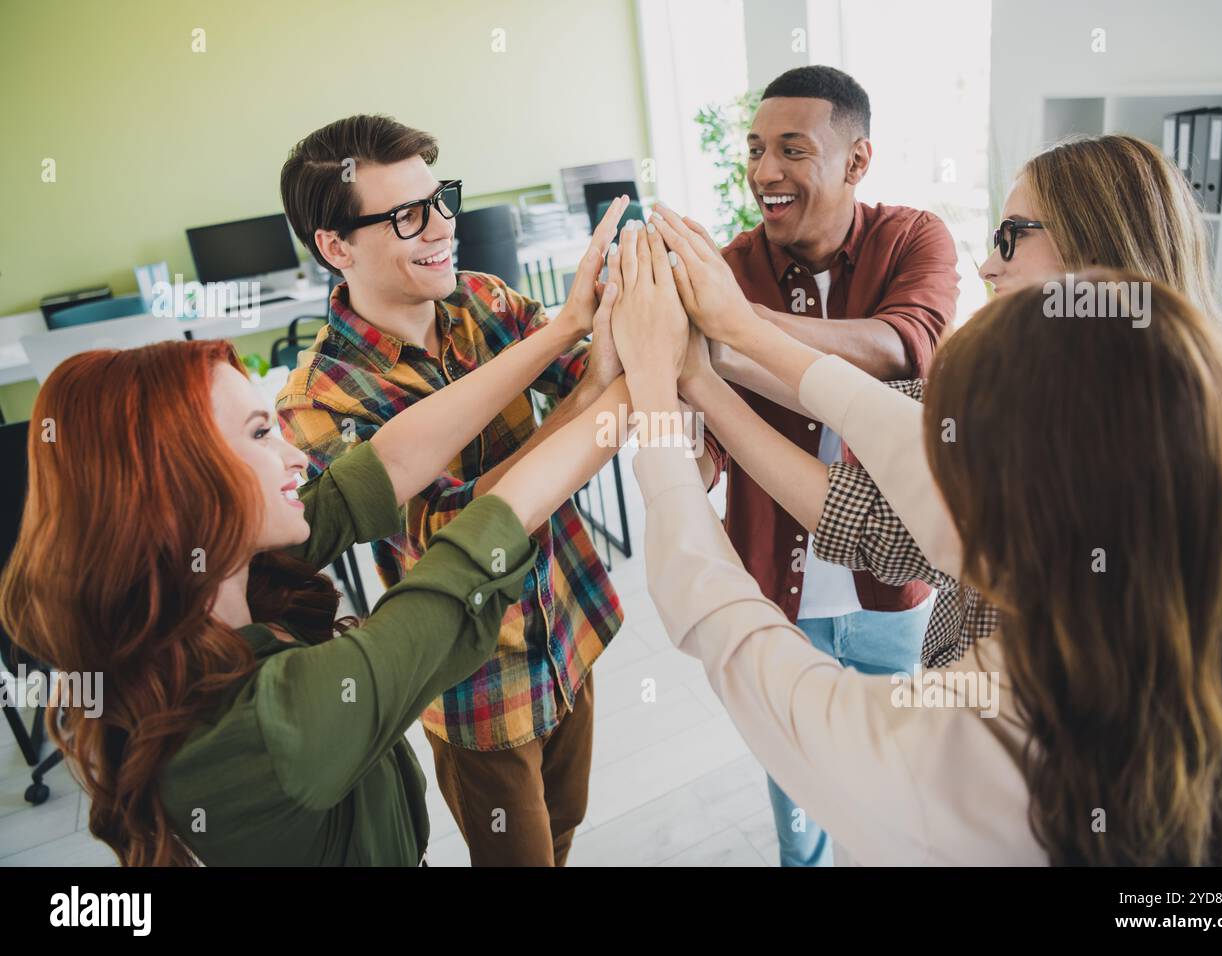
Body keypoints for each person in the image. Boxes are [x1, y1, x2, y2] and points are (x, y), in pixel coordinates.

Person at [611, 220, 1222, 864]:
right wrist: (711, 361)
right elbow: (895, 440)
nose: (985, 260)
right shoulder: (1204, 622)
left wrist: (654, 398)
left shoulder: (967, 748)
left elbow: (740, 645)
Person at [0, 324, 635, 866]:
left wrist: (566, 332)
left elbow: (385, 466)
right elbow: (474, 549)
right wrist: (643, 384)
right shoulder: (268, 724)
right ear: (177, 486)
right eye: (257, 436)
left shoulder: (219, 579)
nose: (295, 458)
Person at [688, 133, 1222, 671]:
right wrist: (725, 358)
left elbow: (877, 520)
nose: (987, 266)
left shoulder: (1094, 442)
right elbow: (897, 408)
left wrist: (725, 352)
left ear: (1095, 247)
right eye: (757, 149)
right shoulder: (1051, 381)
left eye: (1011, 236)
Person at [275, 114, 628, 865]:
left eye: (442, 200)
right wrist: (583, 391)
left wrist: (640, 304)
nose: (442, 226)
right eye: (408, 215)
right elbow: (458, 531)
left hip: (564, 624)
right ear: (336, 247)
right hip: (477, 679)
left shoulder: (486, 304)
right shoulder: (320, 399)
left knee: (566, 826)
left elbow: (599, 370)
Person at [692, 64, 959, 867]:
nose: (765, 172)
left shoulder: (914, 237)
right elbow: (698, 428)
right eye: (755, 150)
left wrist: (732, 333)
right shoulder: (728, 265)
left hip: (896, 590)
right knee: (797, 781)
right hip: (775, 584)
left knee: (895, 781)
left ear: (856, 160)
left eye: (792, 150)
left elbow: (901, 346)